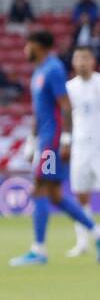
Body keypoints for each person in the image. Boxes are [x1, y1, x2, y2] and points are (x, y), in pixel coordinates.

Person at [10, 31, 100, 265]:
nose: (25, 50)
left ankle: (39, 250)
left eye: (28, 44)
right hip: (44, 140)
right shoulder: (40, 71)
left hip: (52, 141)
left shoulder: (54, 69)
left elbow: (66, 107)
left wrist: (66, 139)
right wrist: (31, 141)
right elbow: (39, 112)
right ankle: (96, 232)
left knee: (39, 188)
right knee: (55, 195)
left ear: (38, 46)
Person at [64, 44, 100, 258]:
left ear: (93, 61)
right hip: (80, 147)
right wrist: (66, 141)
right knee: (80, 195)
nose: (82, 63)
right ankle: (83, 241)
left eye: (85, 58)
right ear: (73, 62)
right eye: (78, 58)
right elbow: (66, 117)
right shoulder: (69, 88)